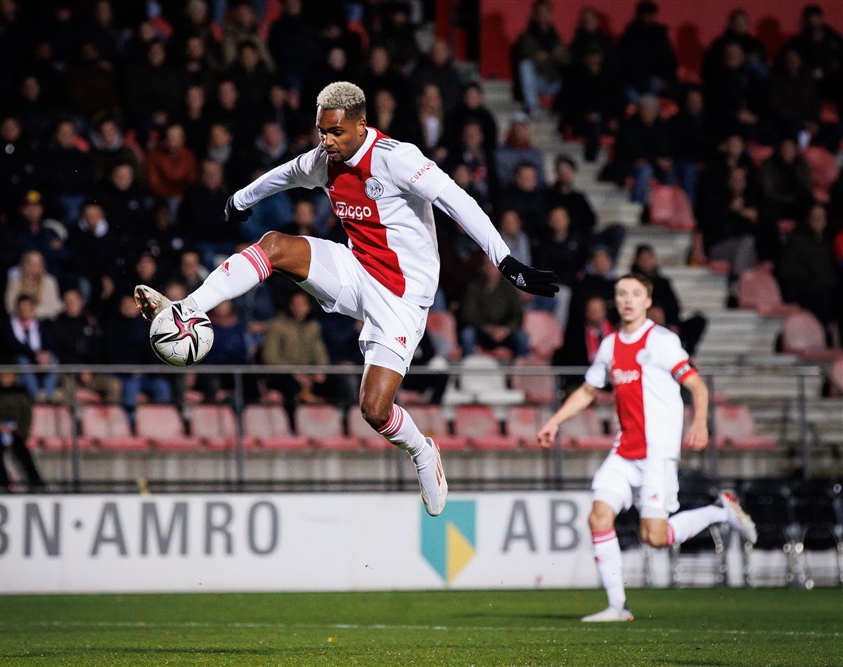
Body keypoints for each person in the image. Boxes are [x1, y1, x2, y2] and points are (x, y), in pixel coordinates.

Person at [134, 81, 559, 516]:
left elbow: (457, 201)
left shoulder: (397, 159)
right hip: (355, 269)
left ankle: (422, 449)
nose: (327, 141)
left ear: (361, 125)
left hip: (402, 296)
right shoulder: (325, 159)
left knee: (374, 409)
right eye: (322, 131)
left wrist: (506, 261)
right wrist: (242, 199)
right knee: (275, 245)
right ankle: (188, 309)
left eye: (336, 132)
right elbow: (285, 174)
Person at [537, 274, 756, 622]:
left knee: (654, 536)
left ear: (648, 301)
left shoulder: (662, 342)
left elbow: (697, 386)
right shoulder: (609, 345)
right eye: (622, 293)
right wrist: (555, 421)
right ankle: (617, 606)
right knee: (598, 516)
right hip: (624, 451)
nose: (628, 300)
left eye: (635, 294)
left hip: (657, 454)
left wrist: (700, 423)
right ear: (615, 300)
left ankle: (720, 511)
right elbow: (589, 390)